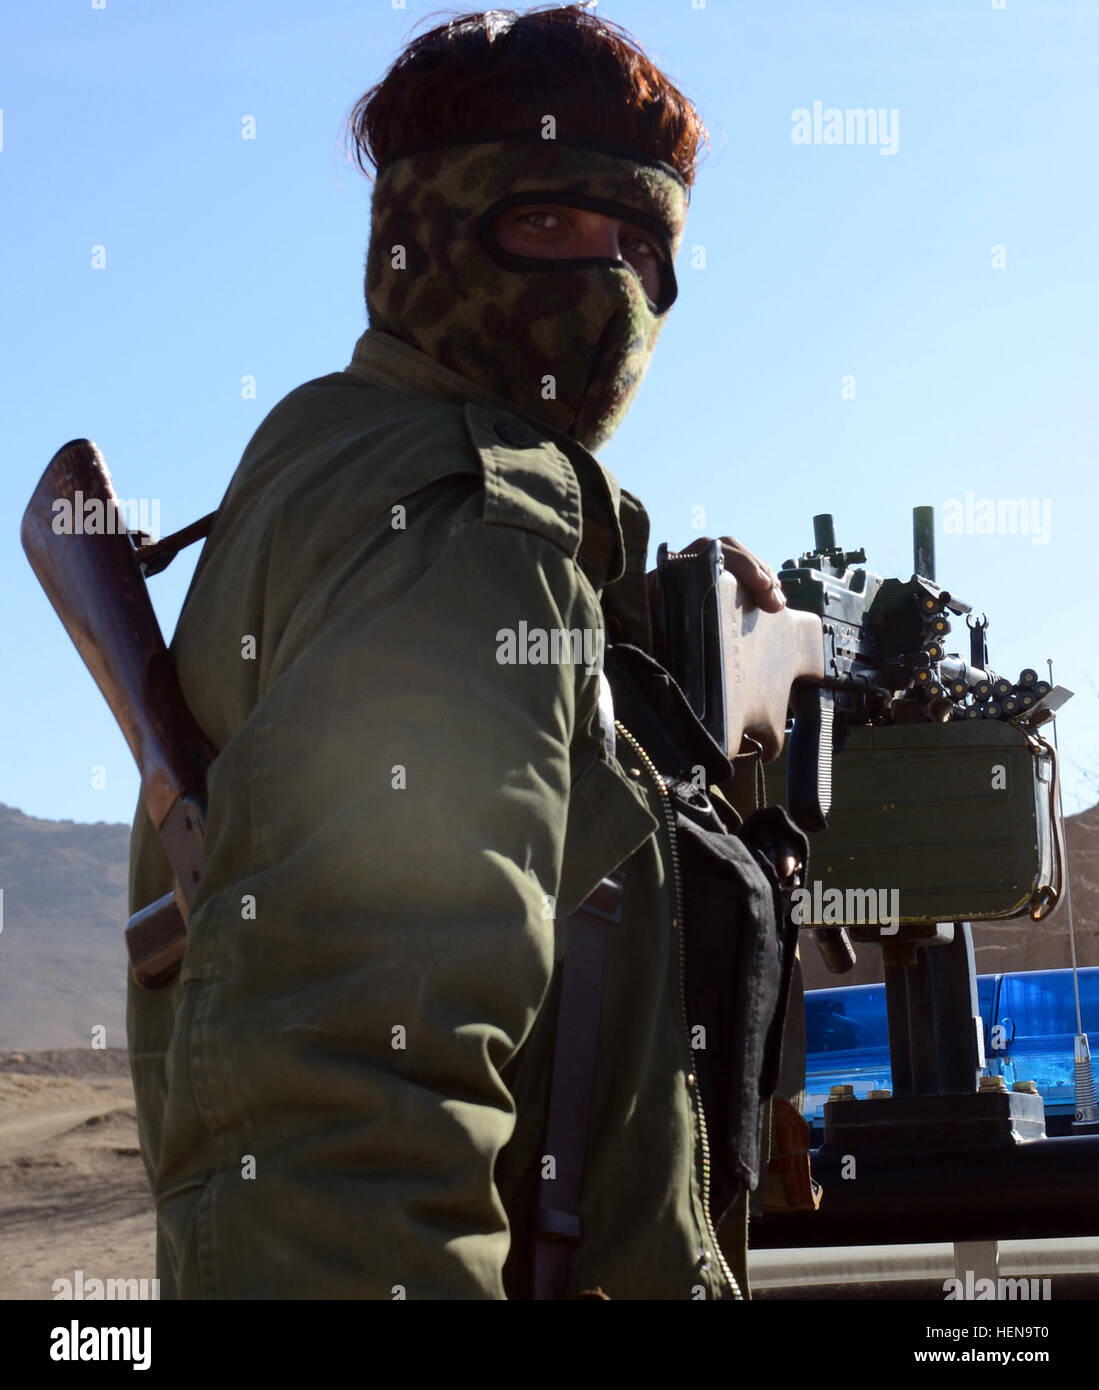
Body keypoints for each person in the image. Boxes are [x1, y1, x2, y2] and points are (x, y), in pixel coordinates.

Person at [127, 4, 803, 1301]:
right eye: (547, 226)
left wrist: (642, 626)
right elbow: (352, 1117)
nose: (604, 289)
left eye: (641, 247)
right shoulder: (463, 533)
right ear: (415, 242)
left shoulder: (330, 470)